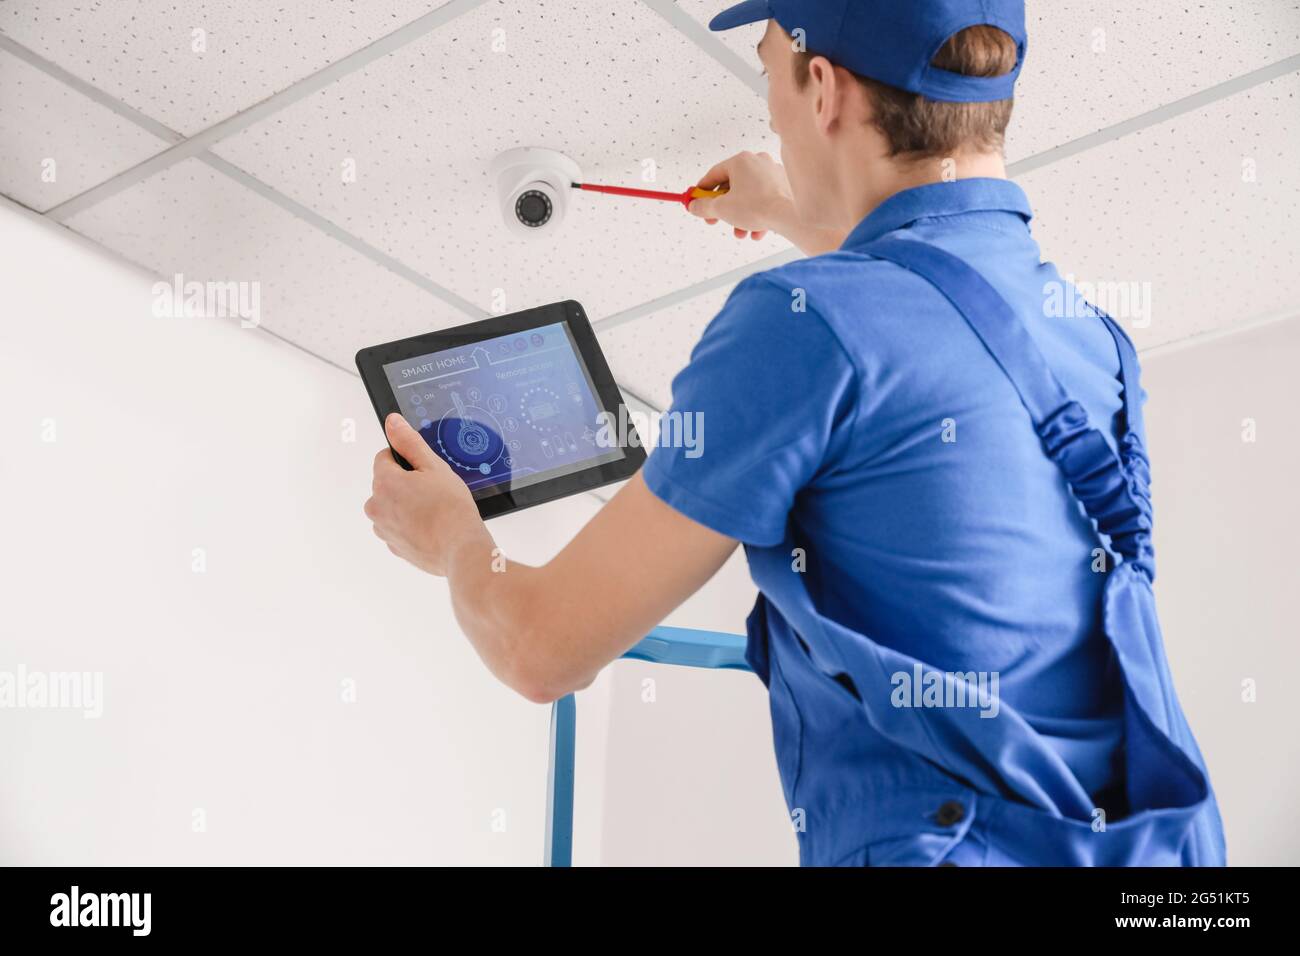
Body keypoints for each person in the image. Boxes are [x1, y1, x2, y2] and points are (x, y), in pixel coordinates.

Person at [365, 0, 1226, 866]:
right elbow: (929, 312)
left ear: (824, 90)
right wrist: (795, 212)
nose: (771, 111)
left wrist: (454, 538)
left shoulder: (796, 323)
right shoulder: (1088, 338)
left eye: (769, 73)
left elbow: (539, 650)